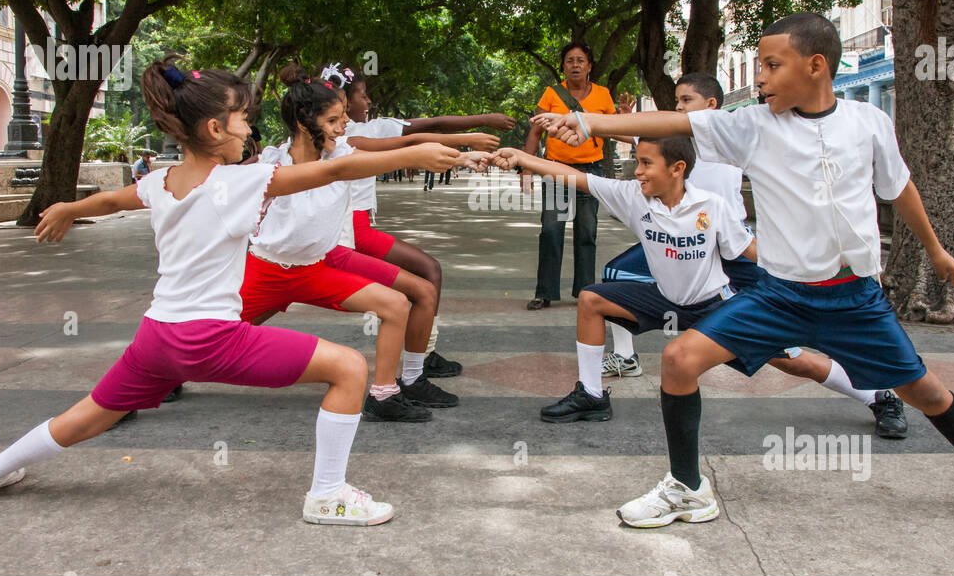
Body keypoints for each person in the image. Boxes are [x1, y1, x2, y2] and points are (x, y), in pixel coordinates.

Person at [533, 12, 954, 534]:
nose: (761, 78)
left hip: (854, 299)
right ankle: (688, 488)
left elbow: (899, 188)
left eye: (772, 65)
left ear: (816, 66)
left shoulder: (869, 122)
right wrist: (590, 122)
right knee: (680, 359)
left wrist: (935, 249)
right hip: (778, 297)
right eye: (758, 66)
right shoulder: (753, 126)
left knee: (927, 393)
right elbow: (673, 123)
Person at [0, 58, 457, 526]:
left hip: (156, 339)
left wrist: (69, 208)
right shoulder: (238, 183)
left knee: (86, 417)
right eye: (242, 117)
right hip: (211, 339)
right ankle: (327, 496)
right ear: (216, 129)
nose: (249, 128)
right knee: (349, 368)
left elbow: (113, 199)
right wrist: (416, 153)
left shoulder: (162, 182)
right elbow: (332, 170)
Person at [598, 73, 908, 439]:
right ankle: (626, 356)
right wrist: (582, 123)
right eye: (676, 103)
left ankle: (878, 394)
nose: (677, 109)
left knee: (787, 354)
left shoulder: (735, 138)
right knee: (615, 275)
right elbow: (628, 130)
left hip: (736, 250)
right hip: (687, 246)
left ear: (711, 107)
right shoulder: (665, 143)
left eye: (685, 102)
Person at [240, 64, 490, 422]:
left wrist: (462, 156)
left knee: (396, 305)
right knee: (202, 335)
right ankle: (165, 376)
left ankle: (385, 393)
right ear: (302, 122)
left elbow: (394, 151)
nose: (343, 127)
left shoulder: (342, 155)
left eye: (343, 117)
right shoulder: (269, 163)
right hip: (265, 271)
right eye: (333, 120)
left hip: (316, 269)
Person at [340, 67, 515, 378]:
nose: (368, 101)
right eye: (362, 95)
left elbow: (429, 128)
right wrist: (468, 138)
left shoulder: (369, 128)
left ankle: (417, 359)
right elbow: (420, 139)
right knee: (422, 280)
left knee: (422, 279)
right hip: (350, 231)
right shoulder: (344, 136)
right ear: (342, 100)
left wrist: (474, 132)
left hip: (352, 228)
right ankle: (414, 366)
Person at [522, 41, 616, 310]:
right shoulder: (552, 93)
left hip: (591, 172)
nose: (575, 65)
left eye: (580, 60)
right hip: (555, 171)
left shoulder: (603, 95)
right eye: (569, 61)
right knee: (551, 231)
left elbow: (614, 127)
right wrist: (527, 167)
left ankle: (585, 291)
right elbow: (534, 132)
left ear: (589, 66)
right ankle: (545, 291)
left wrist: (625, 117)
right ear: (563, 66)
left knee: (587, 232)